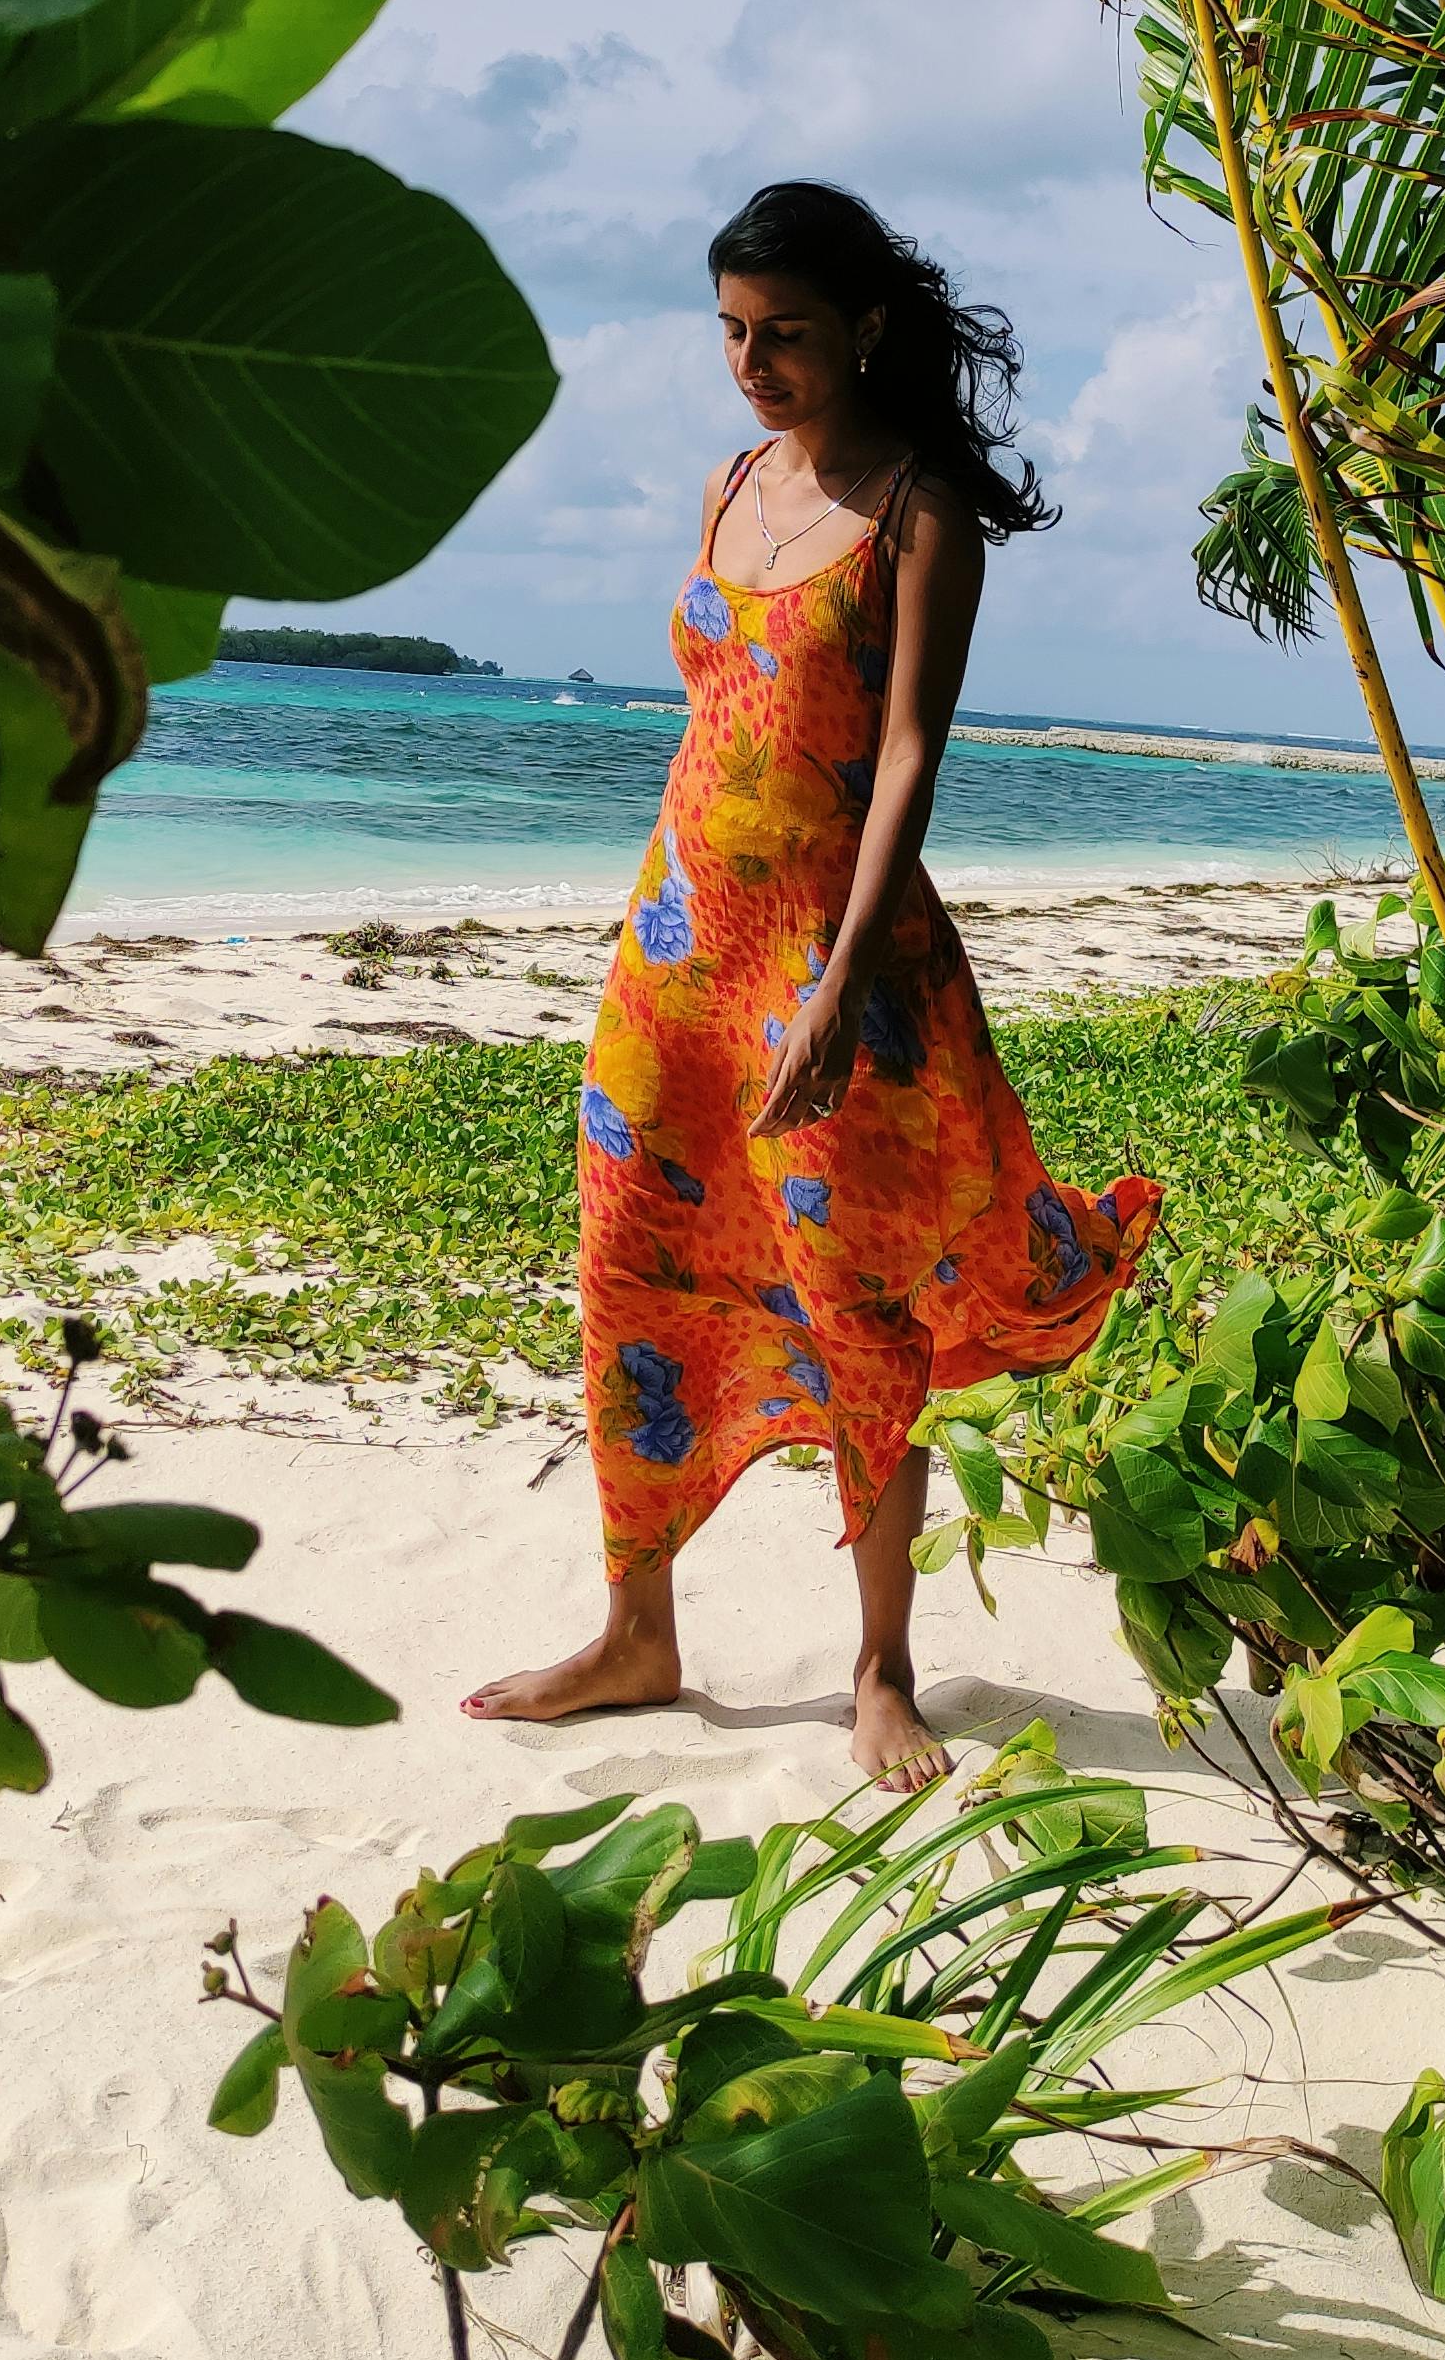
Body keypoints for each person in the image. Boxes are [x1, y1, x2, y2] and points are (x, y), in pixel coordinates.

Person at [464, 180, 1159, 1791]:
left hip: (841, 969)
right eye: (731, 332)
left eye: (782, 333)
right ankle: (638, 1631)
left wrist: (842, 980)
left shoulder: (923, 511)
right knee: (631, 1279)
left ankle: (882, 1669)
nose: (753, 362)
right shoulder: (729, 483)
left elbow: (909, 749)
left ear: (866, 326)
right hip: (673, 960)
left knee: (859, 1312)